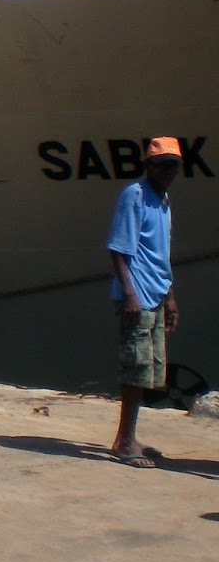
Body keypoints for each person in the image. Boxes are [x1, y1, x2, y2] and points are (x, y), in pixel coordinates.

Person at [107, 137, 182, 468]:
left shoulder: (163, 200)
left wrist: (171, 298)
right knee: (135, 370)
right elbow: (119, 250)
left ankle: (130, 436)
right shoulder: (135, 196)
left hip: (155, 294)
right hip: (137, 296)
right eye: (162, 165)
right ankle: (124, 441)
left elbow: (161, 256)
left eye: (173, 166)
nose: (168, 172)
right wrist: (130, 295)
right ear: (148, 166)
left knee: (148, 371)